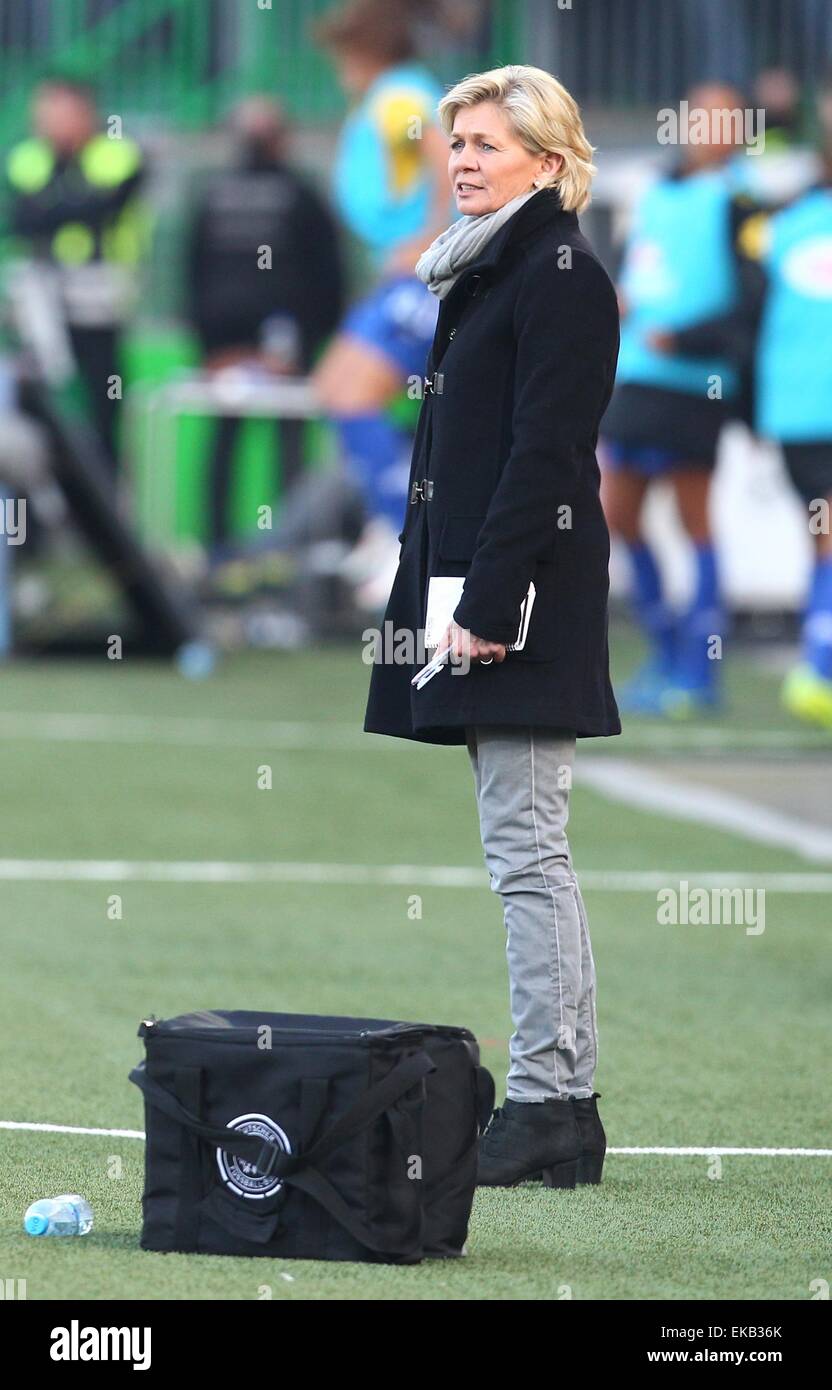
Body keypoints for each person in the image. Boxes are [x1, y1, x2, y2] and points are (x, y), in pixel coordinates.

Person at [363, 64, 620, 1189]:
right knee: (520, 851)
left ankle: (554, 1102)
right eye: (454, 141)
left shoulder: (556, 270)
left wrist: (483, 598)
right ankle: (557, 1102)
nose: (460, 158)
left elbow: (547, 454)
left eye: (486, 143)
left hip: (519, 597)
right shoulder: (486, 268)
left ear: (550, 164)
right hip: (483, 587)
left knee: (529, 854)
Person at [601, 83, 762, 717]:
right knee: (619, 514)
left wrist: (687, 338)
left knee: (695, 520)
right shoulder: (654, 189)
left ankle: (701, 670)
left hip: (695, 382)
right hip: (636, 374)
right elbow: (641, 267)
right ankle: (665, 650)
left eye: (722, 118)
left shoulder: (743, 204)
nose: (707, 128)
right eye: (699, 116)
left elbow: (752, 300)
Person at [311, 0, 455, 610]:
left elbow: (446, 159)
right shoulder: (394, 94)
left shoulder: (400, 96)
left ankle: (402, 530)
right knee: (350, 389)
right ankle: (400, 522)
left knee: (347, 389)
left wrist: (430, 238)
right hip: (407, 272)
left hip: (422, 274)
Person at [186, 97, 345, 554]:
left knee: (248, 445)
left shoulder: (214, 192)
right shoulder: (301, 193)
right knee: (279, 448)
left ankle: (236, 548)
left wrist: (211, 347)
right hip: (268, 347)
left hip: (246, 348)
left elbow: (192, 274)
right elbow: (328, 275)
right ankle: (266, 551)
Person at [6, 75, 149, 480]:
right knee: (35, 406)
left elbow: (100, 209)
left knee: (105, 403)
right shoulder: (27, 157)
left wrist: (61, 208)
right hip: (41, 303)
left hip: (101, 302)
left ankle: (106, 509)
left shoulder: (119, 154)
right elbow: (24, 219)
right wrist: (76, 205)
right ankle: (33, 526)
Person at [750, 77, 832, 728]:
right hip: (806, 405)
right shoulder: (784, 221)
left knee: (823, 534)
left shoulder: (785, 222)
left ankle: (818, 661)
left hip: (795, 408)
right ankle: (819, 666)